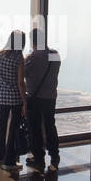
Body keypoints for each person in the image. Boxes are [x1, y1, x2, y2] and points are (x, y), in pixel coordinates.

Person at [22, 26, 60, 173]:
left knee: (35, 129)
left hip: (35, 97)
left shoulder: (32, 57)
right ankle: (55, 156)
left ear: (32, 40)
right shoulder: (55, 54)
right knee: (50, 126)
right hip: (50, 97)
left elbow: (23, 73)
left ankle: (39, 159)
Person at [0, 29, 26, 170]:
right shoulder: (19, 58)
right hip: (15, 99)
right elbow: (20, 83)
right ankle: (9, 161)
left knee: (1, 126)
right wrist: (25, 102)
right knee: (13, 129)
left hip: (1, 98)